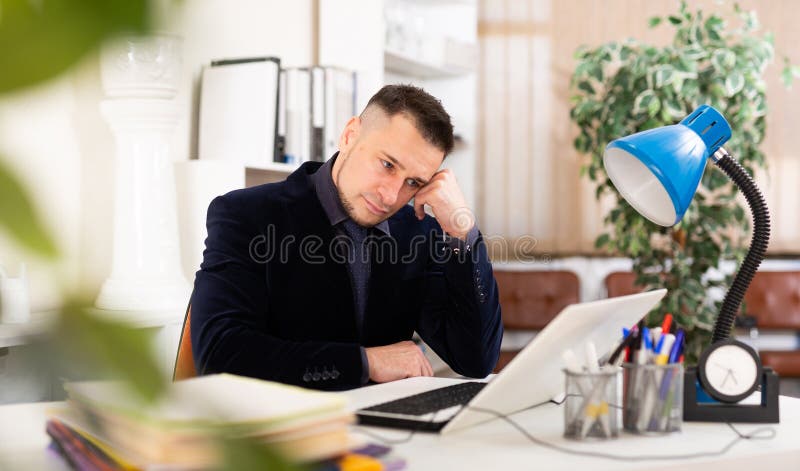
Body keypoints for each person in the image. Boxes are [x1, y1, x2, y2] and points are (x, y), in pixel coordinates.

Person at [191, 84, 502, 390]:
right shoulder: (247, 214)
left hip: (385, 428)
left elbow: (475, 359)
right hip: (281, 428)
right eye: (387, 164)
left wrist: (463, 232)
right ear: (350, 135)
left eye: (413, 182)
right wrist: (365, 362)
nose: (391, 195)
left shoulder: (416, 232)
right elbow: (220, 355)